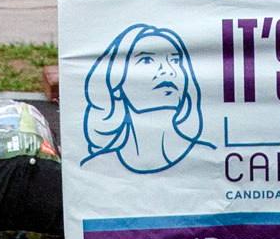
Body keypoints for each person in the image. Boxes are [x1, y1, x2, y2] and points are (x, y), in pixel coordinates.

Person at [77, 23, 205, 173]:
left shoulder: (210, 160)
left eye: (175, 61)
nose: (168, 71)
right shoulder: (93, 170)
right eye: (147, 60)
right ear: (116, 84)